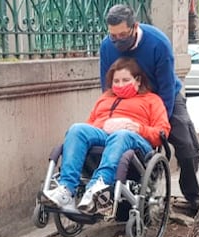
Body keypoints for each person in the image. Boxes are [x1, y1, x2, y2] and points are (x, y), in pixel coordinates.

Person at [99, 4, 199, 216]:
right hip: (129, 97)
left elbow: (166, 86)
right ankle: (137, 195)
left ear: (134, 26)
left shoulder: (158, 43)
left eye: (122, 35)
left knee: (186, 146)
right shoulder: (106, 47)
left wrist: (157, 123)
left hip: (163, 97)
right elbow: (107, 85)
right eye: (113, 36)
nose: (118, 40)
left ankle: (193, 197)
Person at [42, 57, 171, 215]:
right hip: (104, 136)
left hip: (135, 140)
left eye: (125, 80)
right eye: (116, 81)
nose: (120, 85)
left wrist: (138, 128)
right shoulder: (105, 98)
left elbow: (162, 132)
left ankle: (99, 186)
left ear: (138, 80)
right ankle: (66, 190)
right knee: (77, 129)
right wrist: (103, 126)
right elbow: (89, 125)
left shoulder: (152, 100)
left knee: (122, 134)